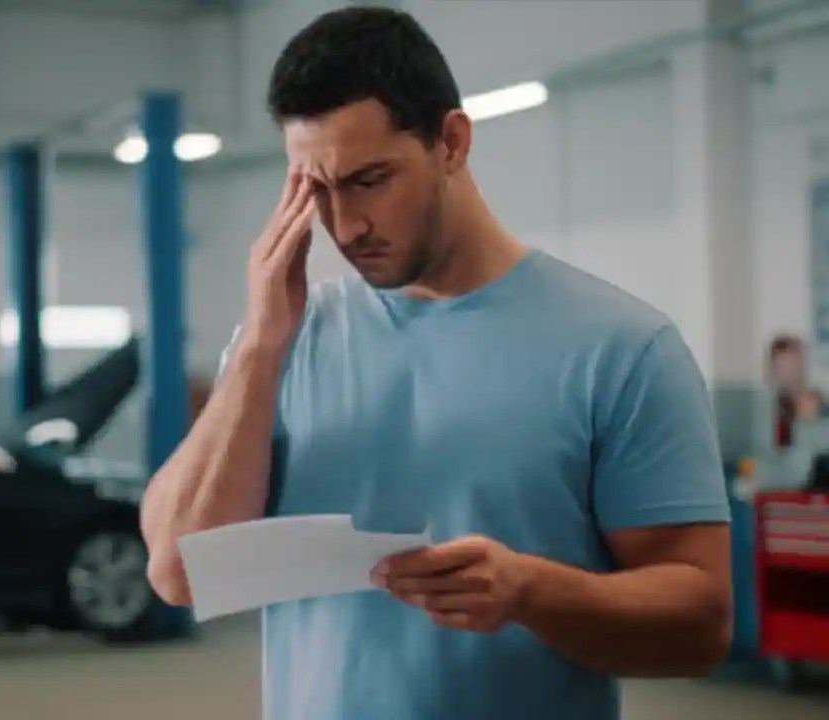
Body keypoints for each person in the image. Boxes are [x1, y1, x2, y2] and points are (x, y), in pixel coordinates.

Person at [138, 7, 733, 720]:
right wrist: (263, 342)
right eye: (314, 190)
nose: (344, 225)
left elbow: (701, 624)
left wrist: (531, 592)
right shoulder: (285, 337)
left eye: (368, 180)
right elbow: (179, 573)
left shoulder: (623, 348)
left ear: (451, 142)